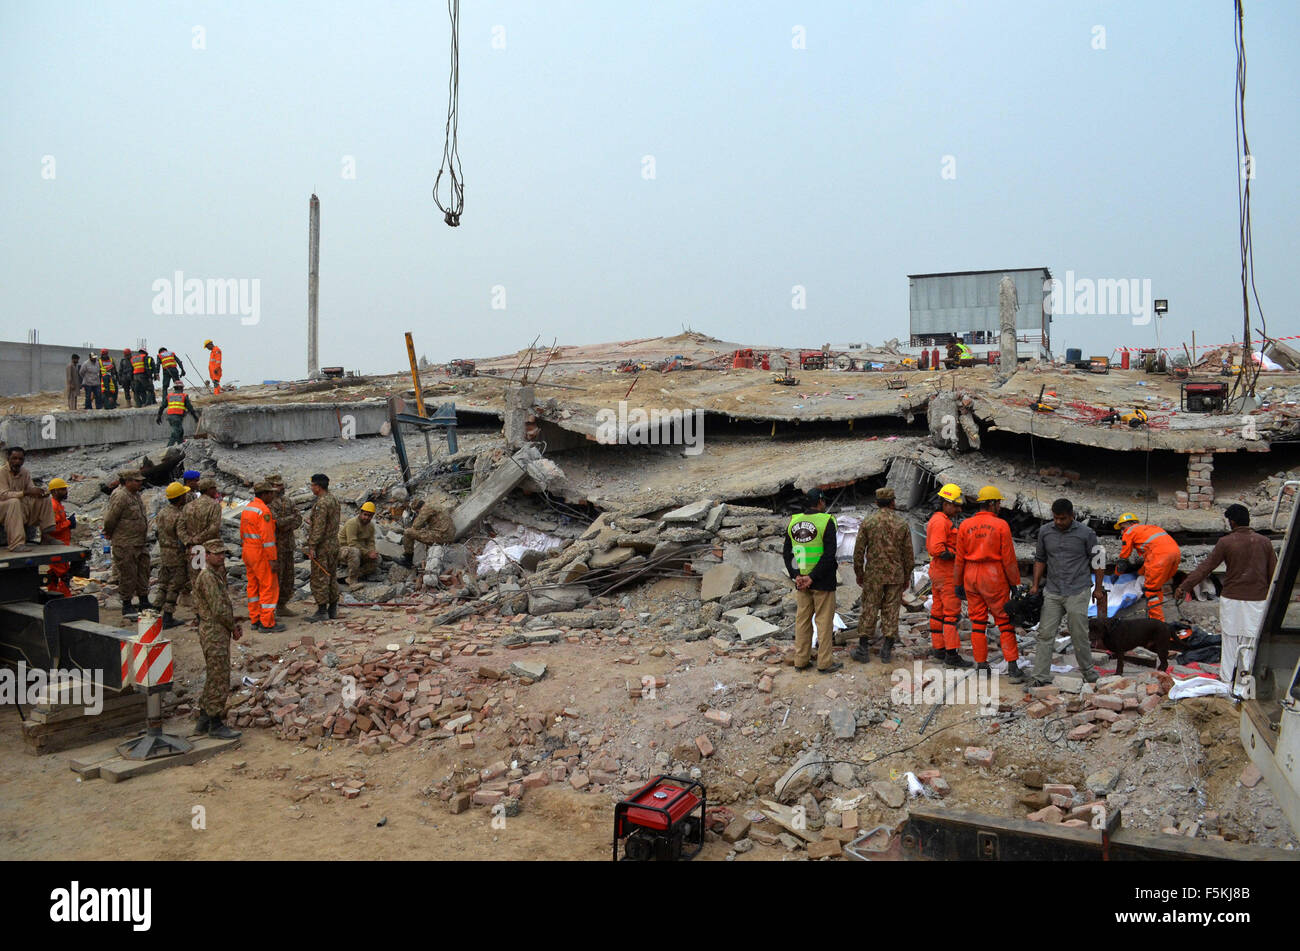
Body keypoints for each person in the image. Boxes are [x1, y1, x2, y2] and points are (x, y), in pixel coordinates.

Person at [1175, 504, 1277, 693]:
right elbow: (1274, 574)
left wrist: (1184, 586)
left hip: (1232, 599)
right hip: (1258, 600)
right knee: (1251, 639)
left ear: (1232, 522)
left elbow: (1205, 568)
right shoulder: (1265, 542)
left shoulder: (1226, 542)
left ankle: (1227, 679)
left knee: (1230, 638)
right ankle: (1247, 681)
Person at [954, 485, 1026, 681]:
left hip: (970, 575)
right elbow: (1009, 559)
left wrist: (958, 582)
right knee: (1004, 621)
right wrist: (1015, 583)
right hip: (993, 575)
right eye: (999, 503)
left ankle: (982, 665)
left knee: (978, 623)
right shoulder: (1001, 525)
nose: (1000, 507)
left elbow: (959, 558)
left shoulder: (965, 525)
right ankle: (1012, 667)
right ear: (992, 504)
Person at [1027, 498, 1102, 687]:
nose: (1058, 522)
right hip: (1052, 591)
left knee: (1079, 634)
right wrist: (1035, 585)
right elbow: (1040, 559)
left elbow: (1099, 561)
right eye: (1055, 518)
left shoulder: (1087, 533)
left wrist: (1098, 588)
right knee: (1045, 634)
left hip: (1078, 590)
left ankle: (1089, 673)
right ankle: (1040, 677)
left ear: (1072, 516)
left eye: (1063, 519)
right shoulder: (1045, 532)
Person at [852, 486, 914, 664]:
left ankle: (863, 648)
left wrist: (859, 572)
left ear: (877, 502)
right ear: (893, 502)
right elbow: (908, 554)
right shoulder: (902, 523)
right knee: (891, 610)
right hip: (895, 576)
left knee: (869, 608)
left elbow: (858, 552)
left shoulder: (868, 522)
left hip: (873, 575)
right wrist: (907, 575)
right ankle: (886, 650)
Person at [782, 488, 841, 673]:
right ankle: (824, 663)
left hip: (801, 583)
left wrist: (796, 575)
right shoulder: (827, 521)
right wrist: (812, 577)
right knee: (824, 623)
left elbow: (788, 552)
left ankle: (801, 660)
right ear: (820, 502)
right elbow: (829, 555)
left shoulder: (794, 521)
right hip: (822, 581)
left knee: (802, 621)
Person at [192, 539, 243, 739]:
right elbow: (219, 609)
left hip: (216, 630)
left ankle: (204, 721)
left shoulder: (214, 575)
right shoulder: (208, 577)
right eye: (216, 553)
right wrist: (233, 627)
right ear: (207, 555)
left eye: (223, 553)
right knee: (219, 677)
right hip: (214, 631)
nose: (221, 556)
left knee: (215, 675)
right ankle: (215, 722)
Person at [926, 483, 972, 668]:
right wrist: (959, 554)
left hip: (938, 573)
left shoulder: (939, 519)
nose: (959, 509)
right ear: (946, 503)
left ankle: (939, 650)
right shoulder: (941, 522)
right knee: (951, 615)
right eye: (956, 505)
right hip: (946, 574)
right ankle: (951, 655)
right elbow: (937, 549)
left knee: (938, 612)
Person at [1113, 513, 1182, 623]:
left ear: (1129, 524)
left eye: (1122, 528)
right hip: (1175, 555)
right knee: (1156, 587)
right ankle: (1156, 612)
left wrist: (1116, 575)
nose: (1122, 532)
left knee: (1151, 590)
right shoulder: (1151, 529)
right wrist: (1139, 573)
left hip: (1159, 558)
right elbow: (1149, 559)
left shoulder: (1129, 532)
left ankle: (1157, 624)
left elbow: (1123, 559)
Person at [103, 469, 150, 616]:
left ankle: (144, 600)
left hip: (139, 542)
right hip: (125, 543)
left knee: (143, 572)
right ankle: (127, 604)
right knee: (128, 574)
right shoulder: (120, 496)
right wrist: (109, 532)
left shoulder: (135, 495)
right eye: (137, 481)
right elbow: (111, 518)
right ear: (127, 481)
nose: (140, 483)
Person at [240, 481, 282, 632]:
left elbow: (243, 533)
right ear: (264, 494)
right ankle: (267, 622)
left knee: (253, 586)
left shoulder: (248, 508)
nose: (272, 495)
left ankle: (255, 618)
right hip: (260, 552)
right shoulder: (263, 511)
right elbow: (268, 539)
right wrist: (273, 559)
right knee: (268, 586)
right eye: (270, 493)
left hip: (248, 550)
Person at [1, 447, 57, 552]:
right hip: (4, 508)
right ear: (8, 458)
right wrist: (25, 492)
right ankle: (16, 544)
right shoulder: (1, 473)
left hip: (19, 507)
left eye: (20, 459)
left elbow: (31, 489)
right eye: (14, 458)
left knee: (45, 499)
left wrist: (39, 493)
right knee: (14, 502)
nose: (17, 462)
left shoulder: (25, 472)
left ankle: (46, 536)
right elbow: (3, 495)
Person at [305, 473, 341, 622]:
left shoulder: (321, 503)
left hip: (323, 546)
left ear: (317, 487)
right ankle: (332, 608)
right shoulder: (334, 500)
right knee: (331, 575)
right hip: (333, 543)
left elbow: (319, 527)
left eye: (312, 485)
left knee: (320, 577)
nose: (311, 488)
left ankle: (321, 610)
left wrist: (312, 545)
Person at [154, 482, 190, 629]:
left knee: (163, 584)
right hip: (176, 554)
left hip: (164, 553)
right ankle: (167, 616)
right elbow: (182, 537)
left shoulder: (162, 513)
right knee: (175, 586)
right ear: (180, 497)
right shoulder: (179, 515)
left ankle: (154, 611)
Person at [178, 477, 222, 592]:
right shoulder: (214, 505)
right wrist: (198, 539)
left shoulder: (188, 506)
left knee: (196, 581)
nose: (216, 491)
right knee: (213, 583)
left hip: (194, 549)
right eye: (214, 488)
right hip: (210, 550)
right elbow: (214, 528)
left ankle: (198, 608)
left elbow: (180, 528)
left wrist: (189, 541)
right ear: (209, 489)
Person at [266, 474, 302, 616]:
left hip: (288, 545)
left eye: (281, 485)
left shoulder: (288, 500)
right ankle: (269, 609)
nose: (281, 487)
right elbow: (276, 523)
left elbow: (298, 519)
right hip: (274, 547)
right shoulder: (267, 504)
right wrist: (289, 520)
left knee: (288, 577)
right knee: (274, 578)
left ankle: (282, 605)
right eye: (277, 485)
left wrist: (286, 523)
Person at [402, 494, 455, 566]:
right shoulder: (432, 504)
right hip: (448, 534)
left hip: (443, 537)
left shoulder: (425, 509)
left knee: (407, 532)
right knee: (425, 531)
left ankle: (407, 560)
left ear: (417, 509)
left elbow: (416, 526)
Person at [339, 501, 381, 585]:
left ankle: (353, 575)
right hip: (342, 550)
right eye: (365, 514)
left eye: (369, 516)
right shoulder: (352, 523)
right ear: (360, 513)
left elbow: (371, 541)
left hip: (359, 551)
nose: (366, 518)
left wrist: (372, 551)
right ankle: (352, 580)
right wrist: (368, 553)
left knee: (378, 558)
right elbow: (352, 543)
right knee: (355, 551)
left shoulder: (371, 526)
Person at [45, 477, 75, 594]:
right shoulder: (53, 506)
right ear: (55, 491)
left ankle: (53, 595)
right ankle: (64, 597)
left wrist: (67, 523)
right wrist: (68, 523)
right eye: (62, 489)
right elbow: (52, 528)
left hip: (61, 544)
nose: (65, 492)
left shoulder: (57, 504)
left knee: (53, 574)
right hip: (57, 545)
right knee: (63, 574)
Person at [155, 382, 200, 447]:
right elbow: (190, 408)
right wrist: (195, 417)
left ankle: (181, 445)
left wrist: (159, 416)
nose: (182, 389)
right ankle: (168, 448)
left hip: (170, 417)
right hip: (177, 417)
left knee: (180, 431)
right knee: (176, 433)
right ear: (180, 388)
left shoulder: (169, 396)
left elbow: (162, 407)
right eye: (182, 388)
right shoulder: (184, 396)